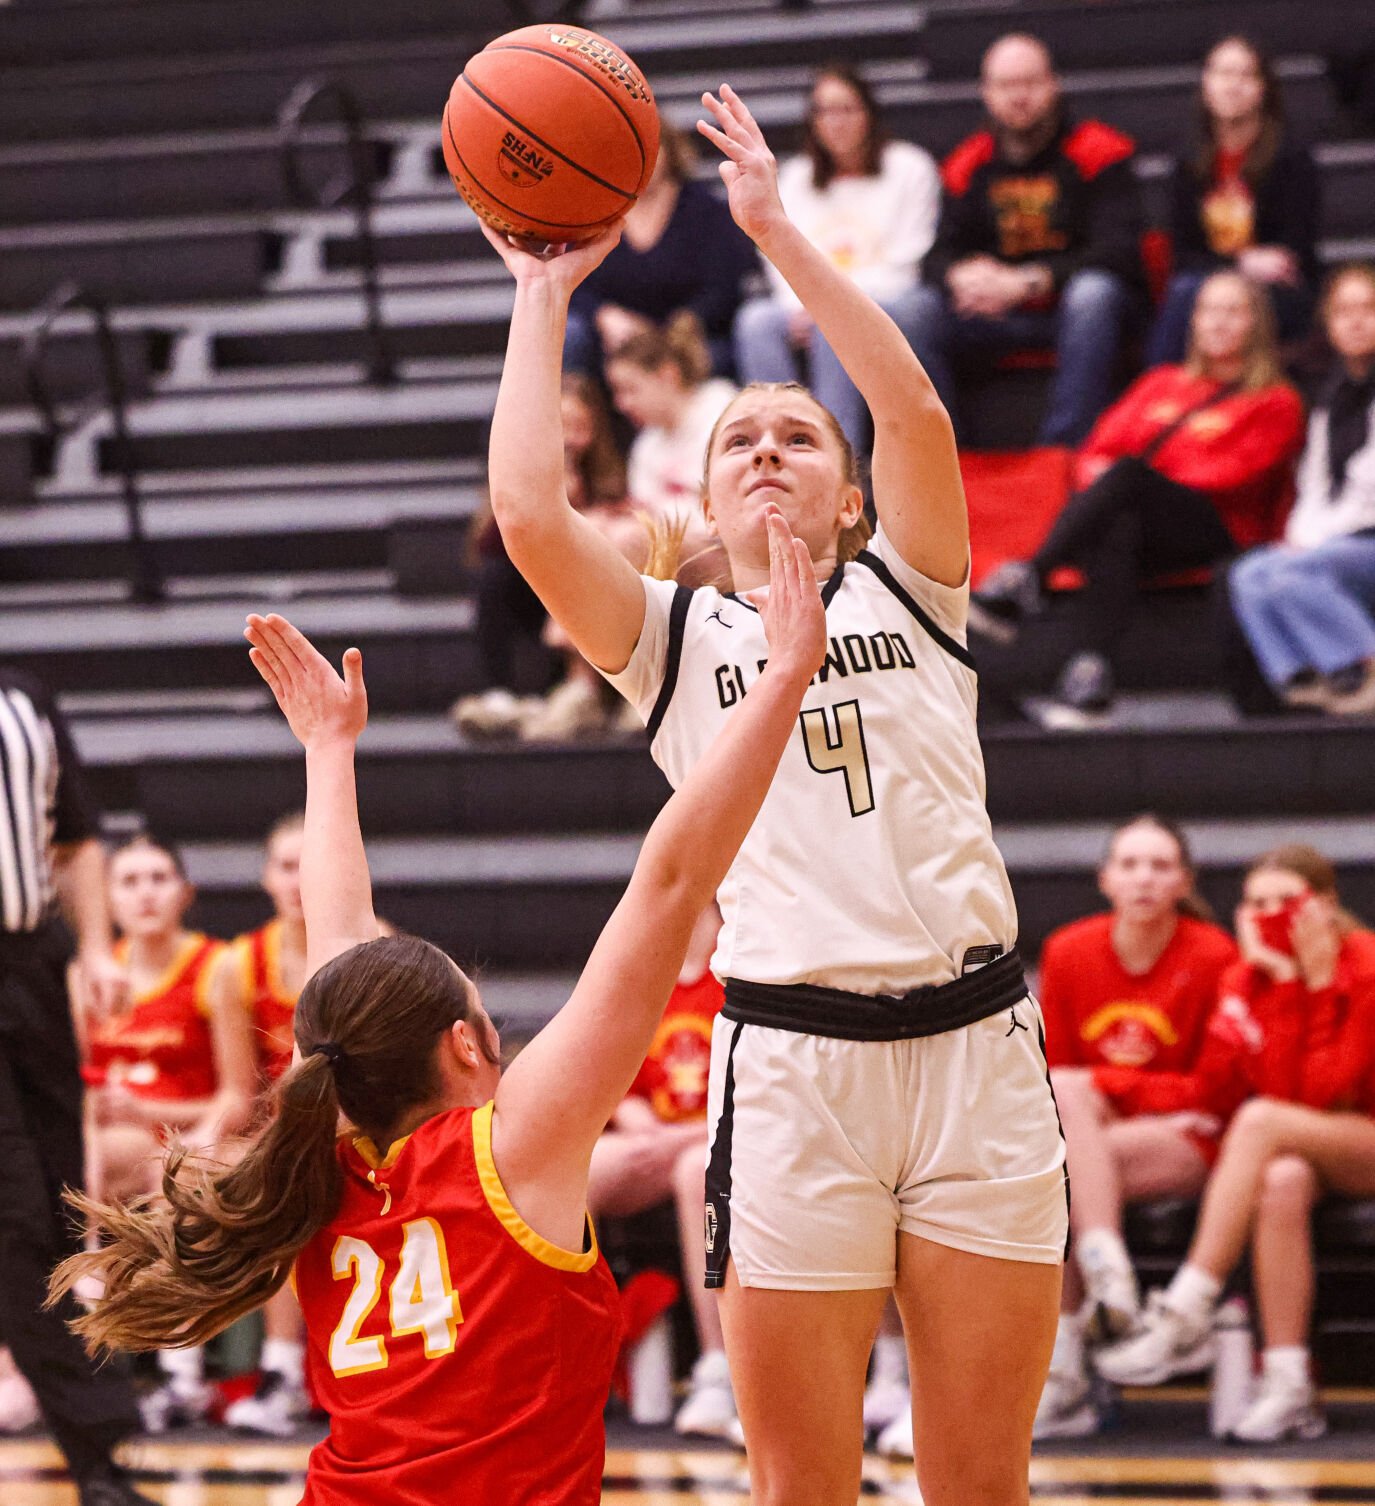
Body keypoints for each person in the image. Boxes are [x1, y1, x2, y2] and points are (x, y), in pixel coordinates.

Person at [480, 82, 1068, 1506]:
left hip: (976, 1054)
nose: (763, 451)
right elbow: (527, 518)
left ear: (847, 499)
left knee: (974, 1487)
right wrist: (543, 294)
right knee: (800, 1490)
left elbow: (913, 404)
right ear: (706, 487)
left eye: (797, 437)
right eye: (738, 438)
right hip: (794, 1069)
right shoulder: (678, 643)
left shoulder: (911, 586)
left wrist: (775, 233)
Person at [51, 536, 826, 1504]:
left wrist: (329, 753)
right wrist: (785, 677)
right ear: (466, 1043)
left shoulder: (323, 1160)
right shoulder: (510, 1153)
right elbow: (667, 884)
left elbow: (344, 968)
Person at [1095, 845, 1375, 1443]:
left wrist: (1321, 986)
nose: (1270, 914)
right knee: (1281, 1182)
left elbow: (1333, 1090)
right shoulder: (1247, 976)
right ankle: (1289, 1382)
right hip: (1308, 1145)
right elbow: (1240, 1090)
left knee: (1259, 1124)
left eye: (1286, 902)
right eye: (1256, 903)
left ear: (1324, 904)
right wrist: (1277, 983)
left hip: (1362, 1131)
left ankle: (1187, 1309)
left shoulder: (1365, 963)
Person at [970, 269, 1305, 722]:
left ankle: (1029, 577)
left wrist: (1146, 480)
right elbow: (1092, 455)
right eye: (1208, 310)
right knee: (1117, 522)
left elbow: (1236, 475)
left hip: (1219, 529)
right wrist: (1122, 481)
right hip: (1145, 524)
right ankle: (1090, 674)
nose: (1218, 322)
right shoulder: (1162, 382)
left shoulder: (1276, 399)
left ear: (1257, 324)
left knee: (1127, 479)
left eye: (1233, 311)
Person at [1033, 816, 1238, 1438]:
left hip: (1187, 1143)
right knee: (1060, 1146)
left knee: (1058, 1167)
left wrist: (1109, 1088)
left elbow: (1209, 1091)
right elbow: (1055, 1074)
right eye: (1129, 864)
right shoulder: (1068, 950)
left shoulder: (1213, 954)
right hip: (1102, 1136)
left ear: (1184, 880)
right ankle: (1097, 1303)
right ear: (1105, 879)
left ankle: (1072, 1370)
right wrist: (1111, 1095)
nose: (1144, 877)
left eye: (1159, 865)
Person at [0, 666, 151, 1506]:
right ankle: (98, 1449)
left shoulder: (26, 695)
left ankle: (99, 1444)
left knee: (63, 1198)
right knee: (16, 1212)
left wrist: (95, 946)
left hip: (33, 963)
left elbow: (77, 835)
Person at [79, 832, 253, 1432]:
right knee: (79, 1164)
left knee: (171, 1173)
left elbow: (238, 1093)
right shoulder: (89, 976)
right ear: (107, 898)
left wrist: (171, 1127)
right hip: (112, 1148)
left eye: (158, 878)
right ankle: (61, 1355)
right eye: (129, 880)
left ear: (185, 892)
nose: (145, 893)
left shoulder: (217, 965)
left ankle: (181, 1375)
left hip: (199, 1134)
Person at [911, 33, 1143, 447]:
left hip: (1070, 313)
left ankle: (1064, 451)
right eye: (1006, 85)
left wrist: (1027, 282)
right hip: (992, 315)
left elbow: (1120, 253)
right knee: (909, 312)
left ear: (1053, 84)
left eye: (1029, 83)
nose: (1019, 96)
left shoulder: (1100, 152)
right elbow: (937, 257)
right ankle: (943, 452)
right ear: (987, 93)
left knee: (1095, 294)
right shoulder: (967, 163)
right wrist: (960, 275)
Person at [584, 903, 737, 1438]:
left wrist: (680, 1136)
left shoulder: (741, 968)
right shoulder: (645, 975)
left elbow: (763, 1090)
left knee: (698, 1172)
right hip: (660, 1137)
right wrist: (632, 1116)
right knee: (580, 1169)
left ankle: (720, 1371)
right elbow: (610, 1073)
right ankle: (573, 1360)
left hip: (727, 1140)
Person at [733, 64, 940, 454]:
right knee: (755, 321)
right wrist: (811, 307)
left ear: (869, 113)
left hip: (893, 299)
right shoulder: (795, 176)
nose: (837, 122)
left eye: (847, 109)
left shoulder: (910, 166)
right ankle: (774, 440)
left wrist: (830, 308)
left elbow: (907, 261)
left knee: (835, 328)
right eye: (825, 111)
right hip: (806, 305)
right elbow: (777, 256)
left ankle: (838, 463)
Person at [1227, 263, 1375, 714]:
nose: (1354, 320)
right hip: (1341, 541)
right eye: (1342, 311)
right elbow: (1314, 486)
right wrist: (1299, 540)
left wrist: (1309, 547)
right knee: (1249, 574)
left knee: (1296, 571)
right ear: (1327, 324)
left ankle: (1363, 662)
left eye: (1368, 308)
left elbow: (1368, 489)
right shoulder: (1330, 397)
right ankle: (1306, 675)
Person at [210, 811, 315, 1436]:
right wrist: (188, 1148)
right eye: (286, 865)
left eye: (310, 862)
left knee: (288, 1175)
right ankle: (188, 1377)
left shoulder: (375, 947)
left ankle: (282, 1371)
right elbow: (235, 1092)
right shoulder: (237, 964)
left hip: (359, 1134)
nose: (300, 879)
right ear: (266, 878)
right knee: (195, 1172)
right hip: (274, 1135)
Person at [452, 374, 631, 739]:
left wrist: (576, 508)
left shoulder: (610, 477)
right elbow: (485, 545)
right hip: (534, 605)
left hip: (589, 600)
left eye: (579, 427)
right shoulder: (517, 474)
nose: (569, 439)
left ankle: (584, 694)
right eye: (561, 427)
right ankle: (504, 695)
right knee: (493, 577)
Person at [1147, 36, 1320, 366]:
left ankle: (1159, 397)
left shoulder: (1293, 157)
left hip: (1277, 291)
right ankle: (1161, 395)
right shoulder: (1187, 161)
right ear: (1206, 85)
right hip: (1206, 284)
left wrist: (1246, 271)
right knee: (1190, 293)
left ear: (1263, 88)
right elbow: (1183, 254)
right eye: (1223, 74)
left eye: (1246, 76)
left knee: (1197, 298)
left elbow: (1294, 251)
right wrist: (1241, 264)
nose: (1233, 86)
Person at [566, 124, 758, 380]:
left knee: (709, 353)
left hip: (689, 337)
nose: (641, 160)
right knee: (571, 333)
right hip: (617, 340)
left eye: (649, 148)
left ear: (669, 150)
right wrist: (603, 315)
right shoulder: (597, 211)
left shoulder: (705, 210)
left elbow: (724, 286)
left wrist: (679, 326)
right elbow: (573, 280)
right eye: (629, 150)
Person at [606, 313, 737, 557]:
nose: (621, 404)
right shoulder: (646, 444)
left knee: (628, 538)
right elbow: (643, 511)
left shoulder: (721, 408)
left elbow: (732, 506)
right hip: (680, 545)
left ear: (668, 375)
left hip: (726, 545)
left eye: (630, 389)